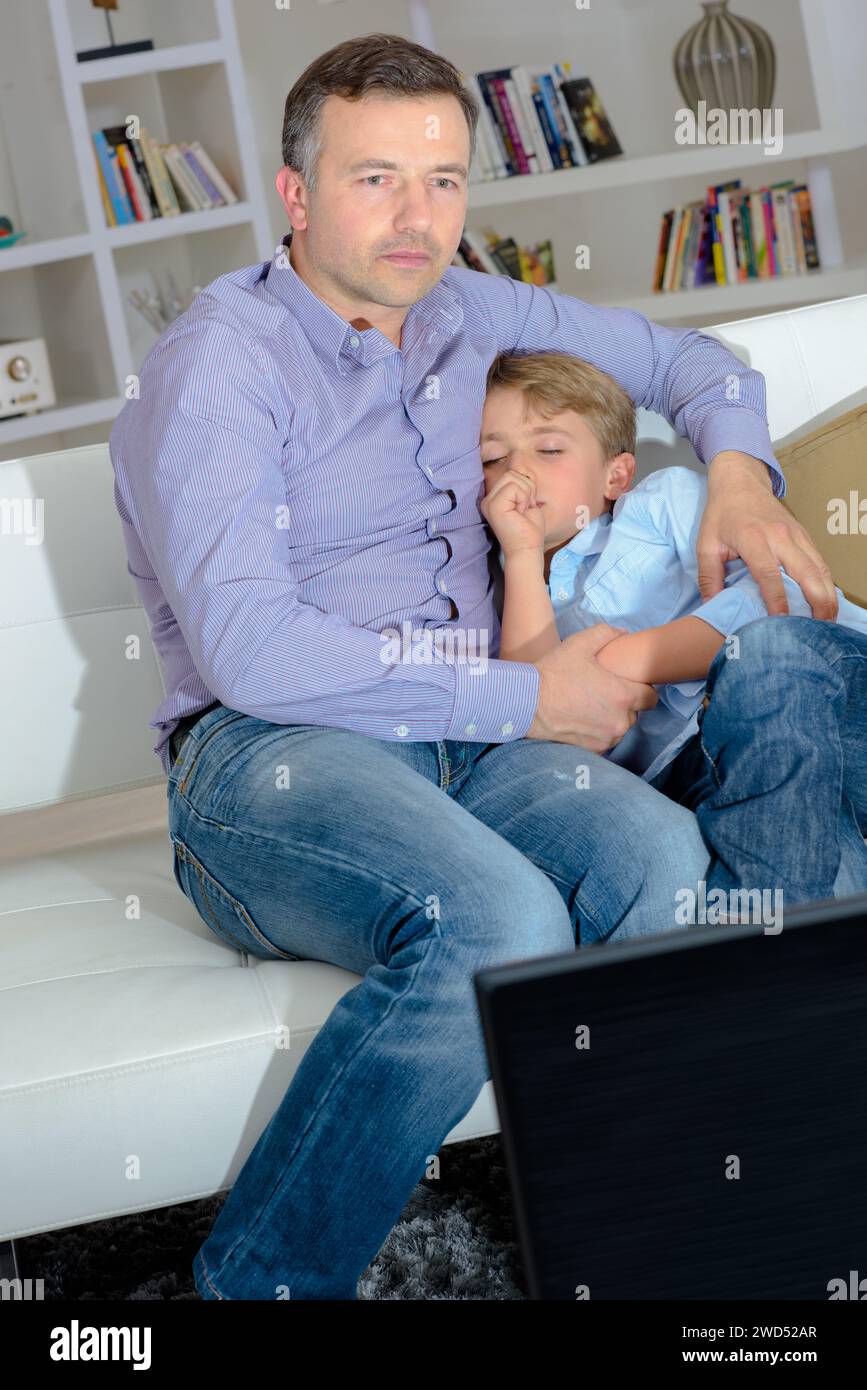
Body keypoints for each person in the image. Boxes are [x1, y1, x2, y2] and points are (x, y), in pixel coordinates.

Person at [108, 33, 842, 1301]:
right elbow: (254, 648)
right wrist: (525, 694)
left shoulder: (470, 309)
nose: (418, 217)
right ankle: (256, 1286)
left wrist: (734, 468)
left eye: (444, 180)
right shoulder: (218, 369)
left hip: (466, 746)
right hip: (271, 753)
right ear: (294, 194)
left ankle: (652, 1248)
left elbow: (694, 361)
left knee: (658, 862)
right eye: (376, 178)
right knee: (496, 917)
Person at [480, 349, 867, 906]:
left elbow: (775, 607)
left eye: (549, 448)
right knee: (820, 873)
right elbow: (541, 710)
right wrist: (519, 557)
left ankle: (769, 959)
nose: (517, 472)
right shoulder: (501, 594)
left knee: (767, 655)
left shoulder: (661, 505)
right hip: (718, 774)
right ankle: (786, 958)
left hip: (835, 701)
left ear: (616, 474)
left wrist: (616, 663)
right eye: (493, 458)